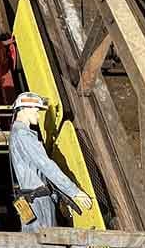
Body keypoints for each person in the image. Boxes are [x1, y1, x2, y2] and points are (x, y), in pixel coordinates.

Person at [9, 92, 92, 232]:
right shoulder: (24, 135)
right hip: (38, 202)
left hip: (30, 201)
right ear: (25, 109)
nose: (38, 115)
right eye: (36, 110)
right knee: (47, 247)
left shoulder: (17, 134)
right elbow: (46, 165)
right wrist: (74, 191)